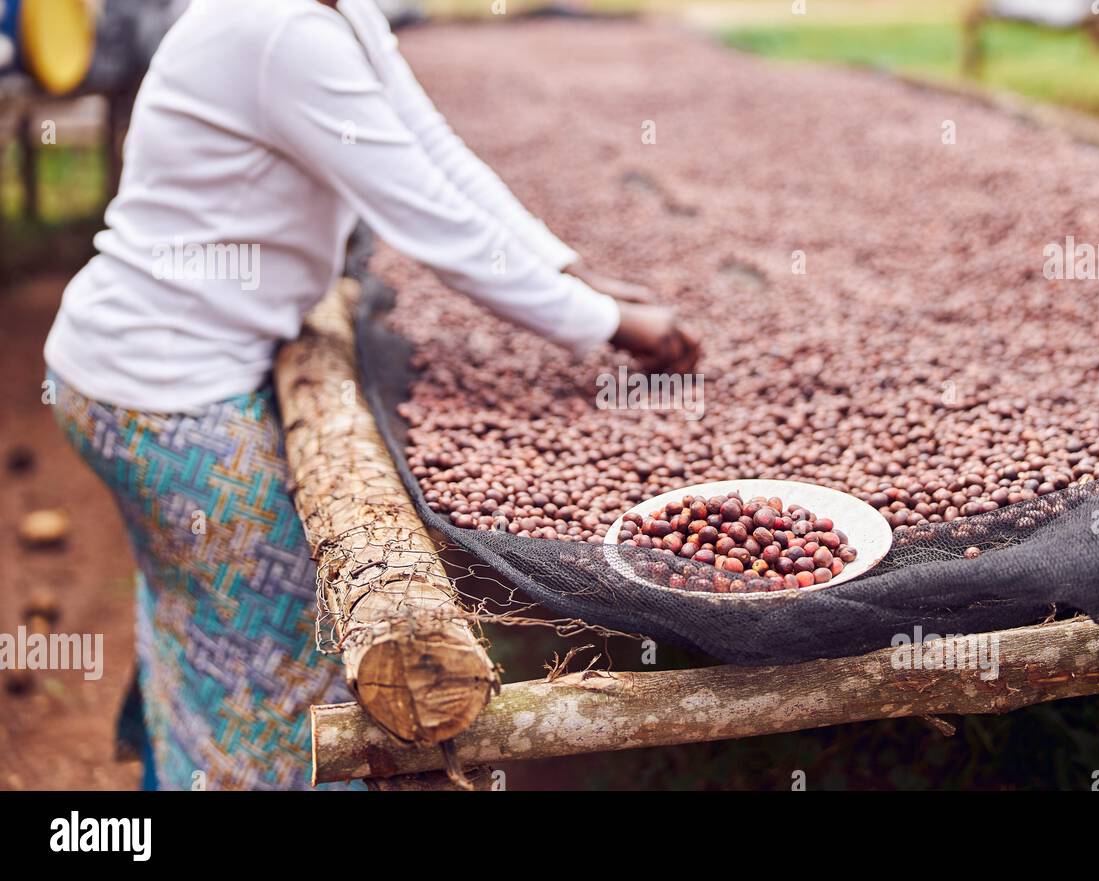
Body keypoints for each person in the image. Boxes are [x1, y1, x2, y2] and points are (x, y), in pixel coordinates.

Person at [43, 0, 698, 791]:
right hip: (165, 396)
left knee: (206, 624)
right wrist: (611, 324)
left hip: (144, 365)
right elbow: (430, 219)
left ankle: (167, 768)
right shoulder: (281, 28)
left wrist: (576, 276)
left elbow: (436, 153)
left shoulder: (339, 11)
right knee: (275, 667)